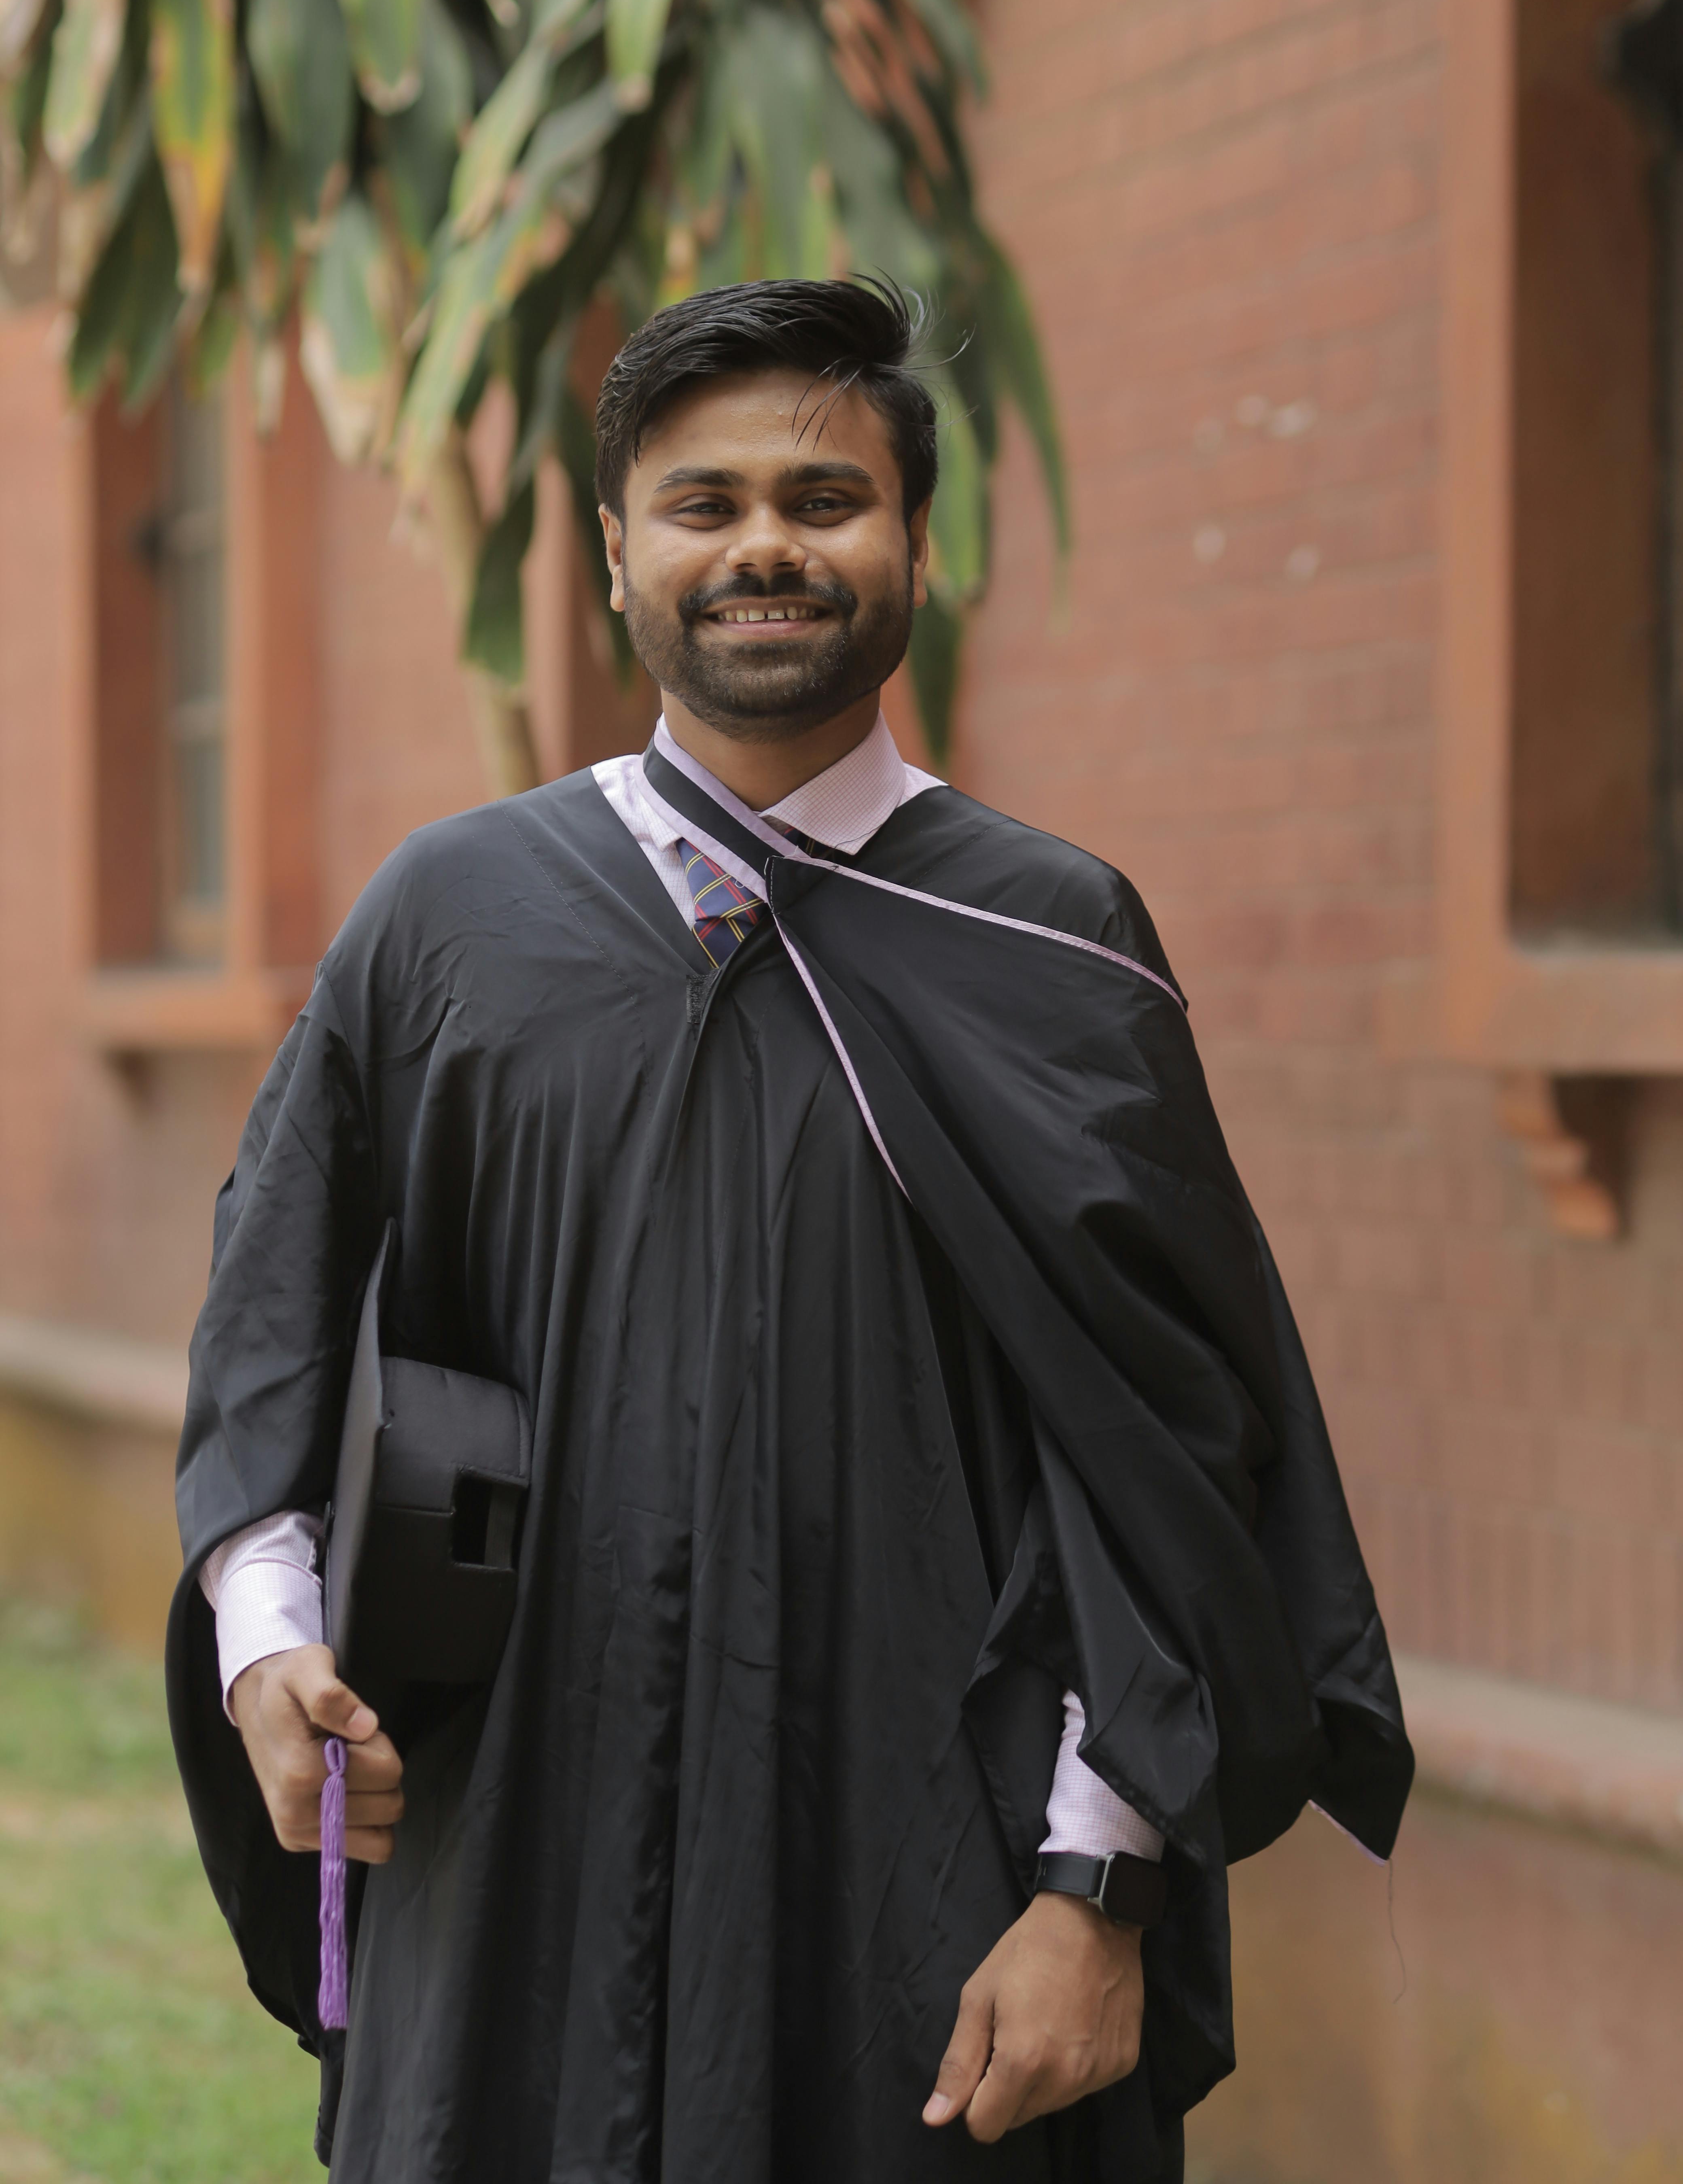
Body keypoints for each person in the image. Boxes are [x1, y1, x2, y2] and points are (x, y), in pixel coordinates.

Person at [168, 279, 1412, 2182]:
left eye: (824, 500)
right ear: (613, 552)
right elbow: (272, 1311)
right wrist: (267, 1645)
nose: (764, 544)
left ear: (915, 542)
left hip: (928, 1883)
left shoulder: (1050, 950)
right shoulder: (449, 924)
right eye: (703, 502)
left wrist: (1096, 1889)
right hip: (515, 1851)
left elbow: (1175, 1465)